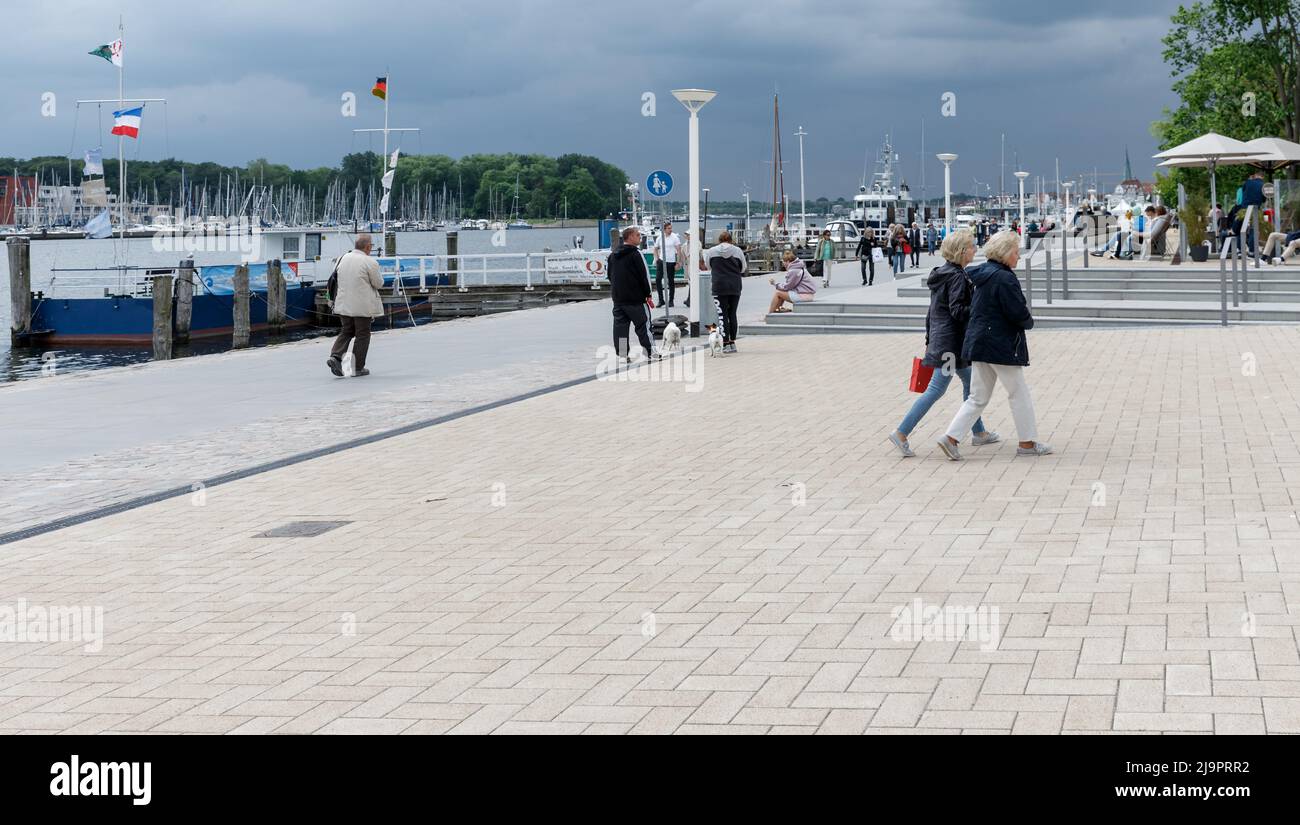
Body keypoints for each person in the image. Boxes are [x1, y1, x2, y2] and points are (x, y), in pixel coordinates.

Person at [938, 230, 1052, 460]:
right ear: (1006, 253)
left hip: (979, 342)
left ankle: (951, 437)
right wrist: (1028, 321)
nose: (1018, 257)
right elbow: (1016, 311)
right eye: (1016, 252)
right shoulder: (1004, 278)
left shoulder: (981, 274)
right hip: (1000, 344)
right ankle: (1027, 443)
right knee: (1019, 393)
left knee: (977, 397)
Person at [888, 229, 998, 457]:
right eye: (971, 246)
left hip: (947, 342)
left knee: (971, 386)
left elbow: (932, 313)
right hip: (951, 344)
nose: (975, 250)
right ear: (961, 251)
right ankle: (901, 432)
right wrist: (980, 306)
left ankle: (979, 432)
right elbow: (958, 311)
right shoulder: (957, 276)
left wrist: (930, 339)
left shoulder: (943, 274)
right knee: (936, 390)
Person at [327, 233, 384, 377]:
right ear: (367, 247)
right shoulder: (369, 262)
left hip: (343, 304)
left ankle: (335, 356)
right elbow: (378, 283)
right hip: (362, 306)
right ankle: (356, 367)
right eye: (371, 246)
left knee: (347, 330)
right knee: (362, 335)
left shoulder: (341, 259)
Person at [607, 226, 658, 361]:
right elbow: (644, 275)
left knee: (620, 328)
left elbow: (610, 275)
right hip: (636, 299)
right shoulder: (636, 253)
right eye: (638, 236)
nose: (640, 238)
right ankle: (650, 352)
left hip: (618, 299)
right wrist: (648, 294)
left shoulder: (612, 255)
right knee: (643, 326)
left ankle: (622, 356)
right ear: (630, 237)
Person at [708, 230, 747, 353]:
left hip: (719, 286)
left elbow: (709, 266)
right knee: (732, 314)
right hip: (735, 285)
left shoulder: (711, 251)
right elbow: (743, 268)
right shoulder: (738, 251)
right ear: (731, 240)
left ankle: (724, 343)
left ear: (719, 240)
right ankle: (733, 342)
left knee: (722, 315)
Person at [652, 221, 683, 307]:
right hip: (662, 261)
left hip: (671, 261)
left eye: (671, 228)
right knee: (658, 279)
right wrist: (657, 258)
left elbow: (679, 250)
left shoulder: (675, 237)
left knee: (671, 281)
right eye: (669, 228)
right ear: (664, 229)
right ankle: (661, 300)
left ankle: (671, 300)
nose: (670, 230)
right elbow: (655, 248)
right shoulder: (660, 237)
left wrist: (678, 262)